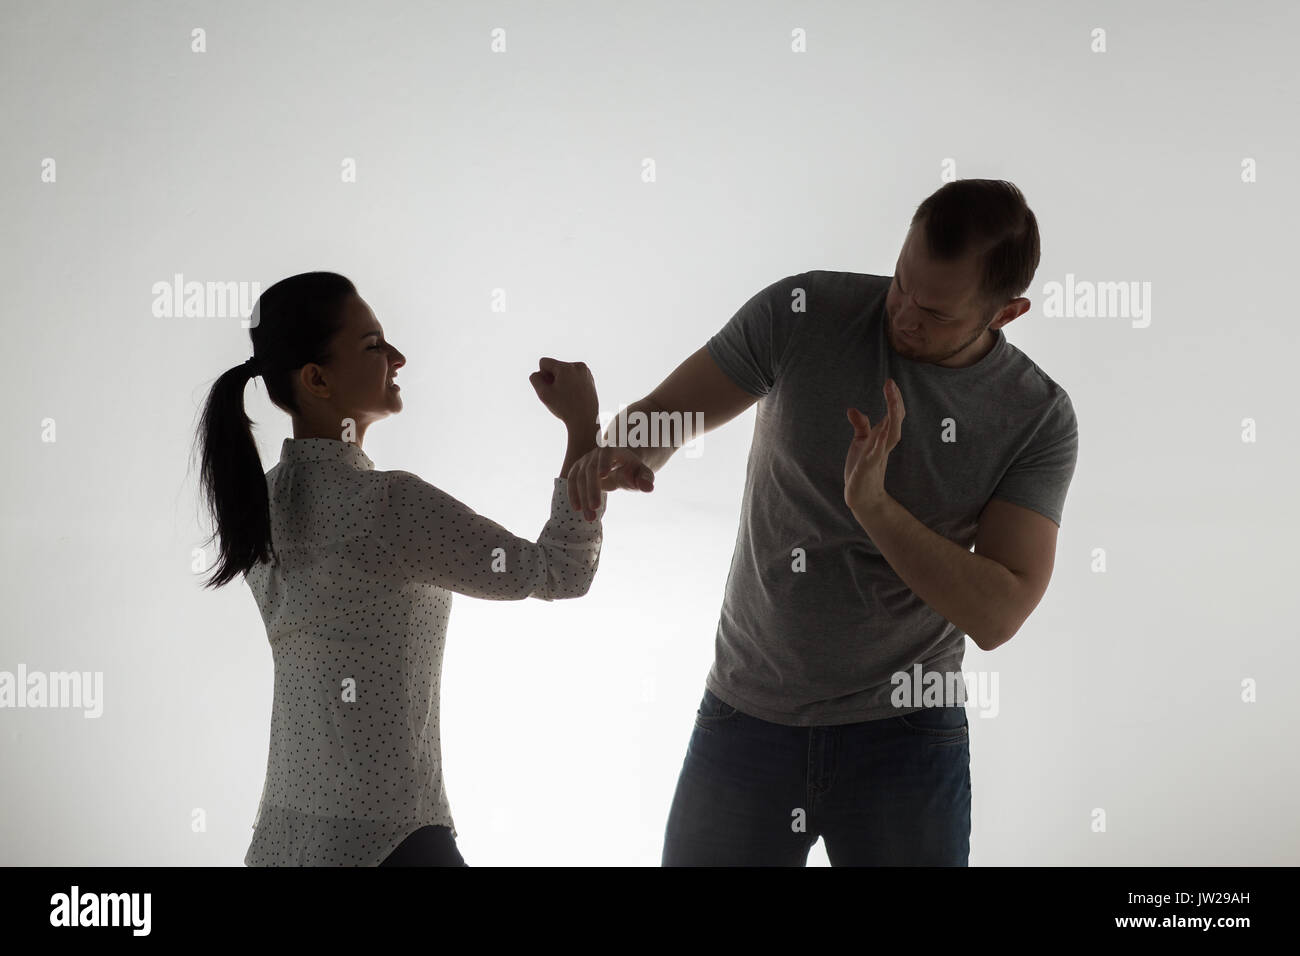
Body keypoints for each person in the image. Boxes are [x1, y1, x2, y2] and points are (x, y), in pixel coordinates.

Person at [566, 179, 1079, 865]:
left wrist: (875, 507)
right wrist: (619, 448)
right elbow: (668, 414)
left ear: (1006, 313)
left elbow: (999, 614)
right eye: (901, 284)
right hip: (746, 716)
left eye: (935, 312)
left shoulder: (1036, 417)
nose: (903, 316)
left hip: (907, 736)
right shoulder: (804, 310)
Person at [192, 272, 606, 866]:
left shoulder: (257, 506)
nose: (397, 357)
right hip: (389, 840)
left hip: (278, 843)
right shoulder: (388, 506)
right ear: (317, 379)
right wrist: (581, 429)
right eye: (372, 346)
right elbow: (561, 570)